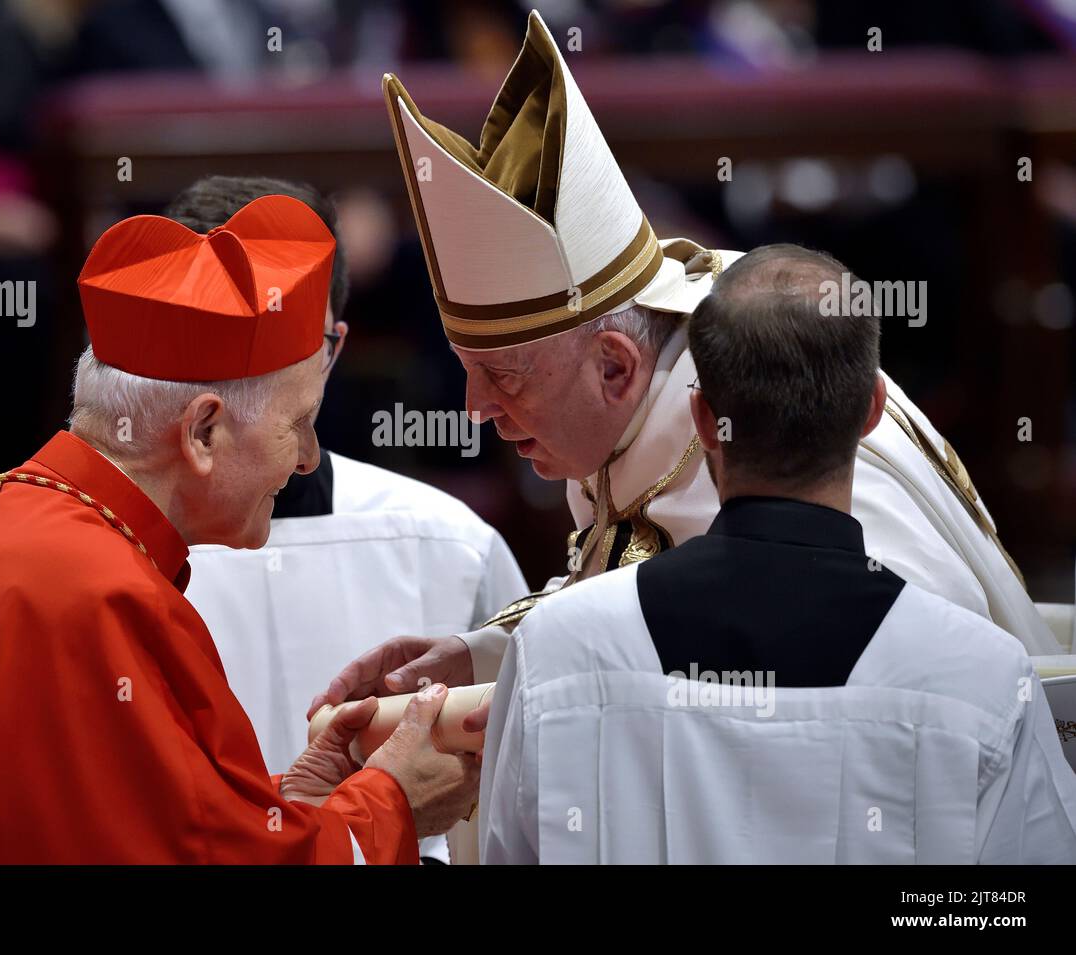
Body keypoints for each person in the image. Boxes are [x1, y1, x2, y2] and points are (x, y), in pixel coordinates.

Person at [309, 8, 1062, 726]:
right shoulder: (633, 404)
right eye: (467, 370)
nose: (474, 408)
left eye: (504, 376)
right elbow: (632, 610)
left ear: (615, 364)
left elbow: (902, 702)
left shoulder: (769, 421)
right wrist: (482, 659)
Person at [0, 195, 478, 864]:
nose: (307, 457)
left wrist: (289, 802)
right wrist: (389, 805)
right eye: (298, 422)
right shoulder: (105, 599)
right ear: (202, 430)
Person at [480, 244, 1076, 863]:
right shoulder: (984, 678)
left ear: (703, 420)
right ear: (874, 410)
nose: (476, 408)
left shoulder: (555, 657)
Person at [167, 176, 528, 864]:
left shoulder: (450, 545)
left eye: (278, 353)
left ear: (332, 348)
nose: (245, 388)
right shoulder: (105, 556)